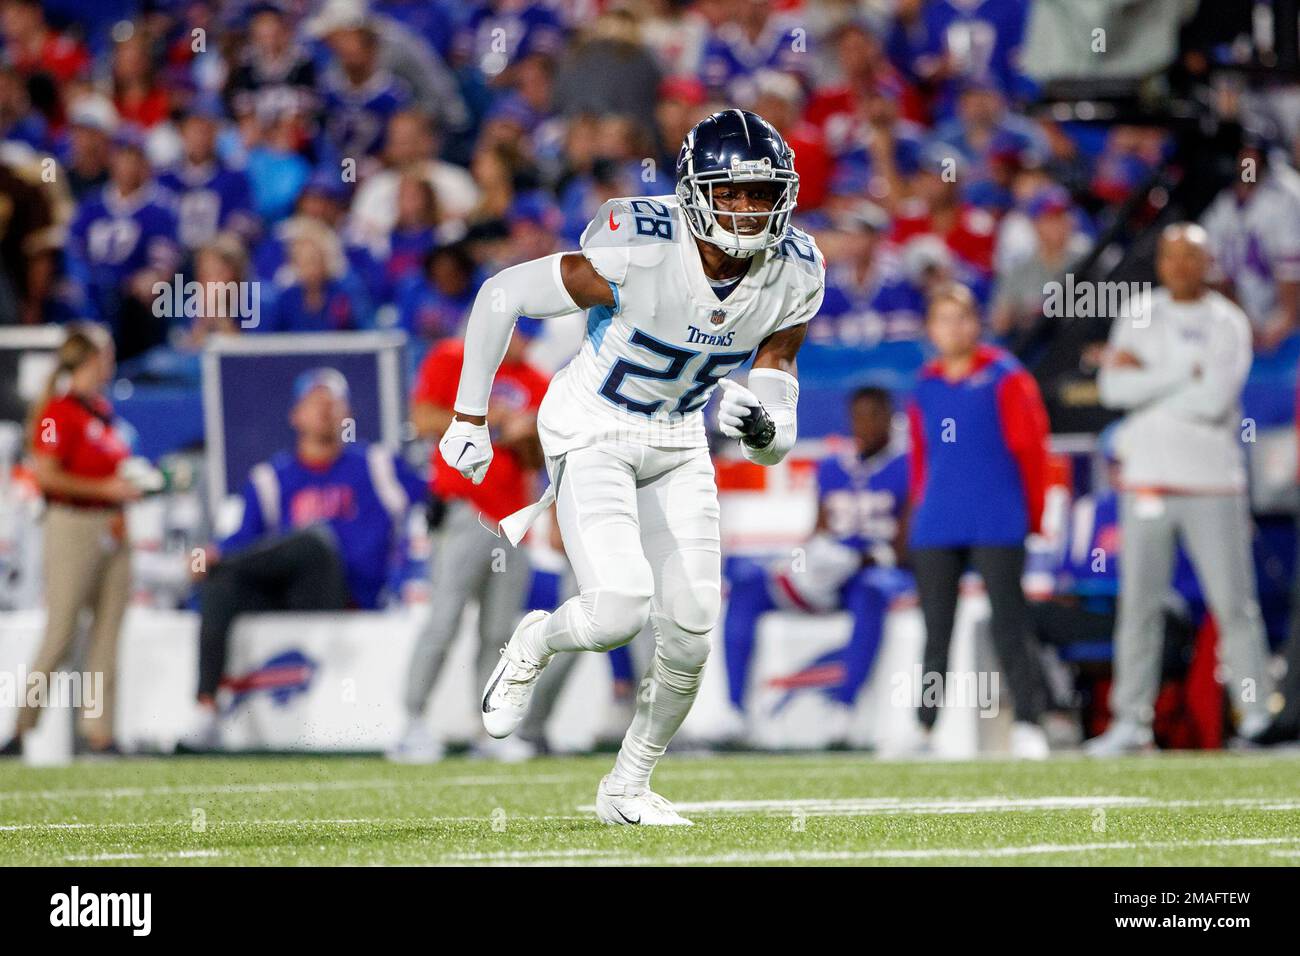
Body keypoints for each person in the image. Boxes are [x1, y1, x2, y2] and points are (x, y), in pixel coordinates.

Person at [438, 109, 824, 824]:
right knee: (618, 609)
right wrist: (469, 416)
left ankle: (628, 786)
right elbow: (503, 295)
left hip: (678, 437)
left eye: (760, 192)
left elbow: (775, 423)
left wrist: (764, 429)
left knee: (693, 618)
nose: (746, 209)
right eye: (729, 192)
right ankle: (533, 641)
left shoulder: (793, 270)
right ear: (692, 192)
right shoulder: (642, 246)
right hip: (594, 426)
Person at [1090, 222, 1275, 754]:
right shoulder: (1139, 310)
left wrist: (1148, 377)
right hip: (1145, 480)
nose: (1179, 266)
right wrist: (1182, 372)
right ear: (1160, 262)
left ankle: (1257, 715)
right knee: (1139, 605)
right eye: (1170, 256)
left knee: (1234, 605)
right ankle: (1131, 722)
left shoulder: (1228, 321)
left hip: (1212, 483)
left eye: (1191, 257)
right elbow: (1111, 387)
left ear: (1208, 261)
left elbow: (1215, 401)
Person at [182, 368, 425, 750]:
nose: (326, 411)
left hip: (346, 590)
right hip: (291, 594)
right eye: (316, 403)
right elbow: (244, 538)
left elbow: (431, 503)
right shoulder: (272, 477)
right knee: (220, 585)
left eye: (334, 403)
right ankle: (206, 709)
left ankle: (221, 566)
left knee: (315, 540)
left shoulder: (377, 465)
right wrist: (206, 558)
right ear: (296, 415)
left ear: (348, 414)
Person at [390, 318, 550, 764]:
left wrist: (526, 439)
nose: (524, 343)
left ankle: (489, 731)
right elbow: (422, 418)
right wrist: (488, 417)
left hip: (513, 517)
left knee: (500, 632)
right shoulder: (453, 358)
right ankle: (412, 722)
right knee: (443, 620)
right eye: (518, 332)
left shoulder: (537, 381)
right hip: (464, 507)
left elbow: (540, 458)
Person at [906, 282, 1052, 758]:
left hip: (998, 517)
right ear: (930, 329)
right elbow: (920, 464)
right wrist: (918, 519)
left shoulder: (1008, 378)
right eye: (943, 319)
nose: (954, 328)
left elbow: (1032, 453)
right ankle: (924, 728)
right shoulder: (924, 385)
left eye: (962, 317)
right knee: (935, 630)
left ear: (977, 323)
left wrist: (1033, 515)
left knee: (1011, 623)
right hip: (938, 522)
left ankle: (1030, 724)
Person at [722, 386, 910, 746]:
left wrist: (864, 557)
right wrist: (809, 563)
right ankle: (735, 712)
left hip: (878, 571)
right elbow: (818, 530)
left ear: (890, 418)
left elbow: (909, 544)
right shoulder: (833, 466)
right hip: (832, 574)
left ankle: (844, 710)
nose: (865, 424)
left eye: (874, 415)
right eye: (859, 416)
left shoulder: (908, 466)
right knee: (746, 586)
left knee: (870, 591)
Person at [3, 325, 138, 757]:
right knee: (61, 630)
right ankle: (21, 728)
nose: (111, 362)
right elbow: (46, 474)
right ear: (88, 359)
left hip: (111, 527)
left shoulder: (101, 411)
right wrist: (106, 492)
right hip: (71, 523)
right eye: (106, 354)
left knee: (106, 635)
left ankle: (100, 733)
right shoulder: (55, 414)